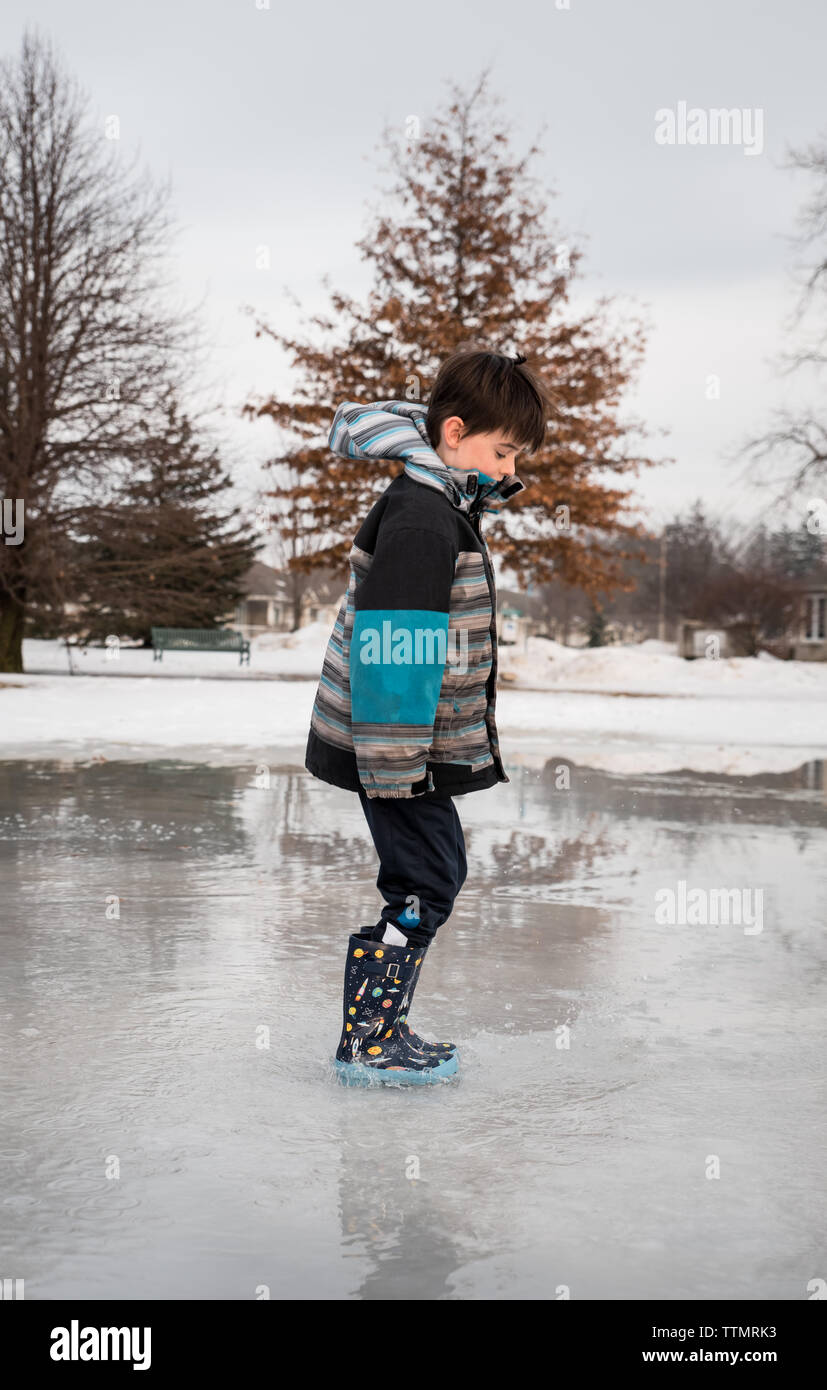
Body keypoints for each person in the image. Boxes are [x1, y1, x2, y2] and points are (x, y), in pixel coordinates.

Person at [304, 348, 550, 1085]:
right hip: (397, 753)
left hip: (409, 749)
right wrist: (397, 770)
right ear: (452, 432)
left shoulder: (438, 503)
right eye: (501, 451)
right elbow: (394, 659)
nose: (509, 471)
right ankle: (369, 1040)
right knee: (425, 880)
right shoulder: (422, 521)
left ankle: (380, 1030)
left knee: (429, 875)